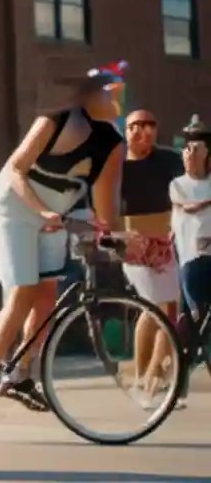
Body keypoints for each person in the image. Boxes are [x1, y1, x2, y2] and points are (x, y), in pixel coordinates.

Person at [0, 66, 127, 410]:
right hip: (13, 207)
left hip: (56, 216)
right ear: (87, 96)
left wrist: (116, 235)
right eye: (107, 90)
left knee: (47, 297)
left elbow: (107, 210)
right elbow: (16, 168)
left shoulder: (114, 145)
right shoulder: (55, 120)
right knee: (23, 289)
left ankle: (21, 373)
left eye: (119, 91)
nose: (115, 96)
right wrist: (41, 211)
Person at [118, 110, 183, 404]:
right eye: (136, 126)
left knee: (168, 309)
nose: (143, 131)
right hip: (135, 244)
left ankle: (156, 378)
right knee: (155, 307)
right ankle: (149, 376)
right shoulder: (116, 166)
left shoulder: (169, 159)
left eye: (149, 126)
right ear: (126, 131)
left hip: (167, 241)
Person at [168, 114, 211, 407]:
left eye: (197, 148)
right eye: (186, 148)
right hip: (191, 261)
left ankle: (181, 374)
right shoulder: (178, 184)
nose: (190, 153)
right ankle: (181, 372)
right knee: (197, 319)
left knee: (204, 325)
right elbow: (190, 207)